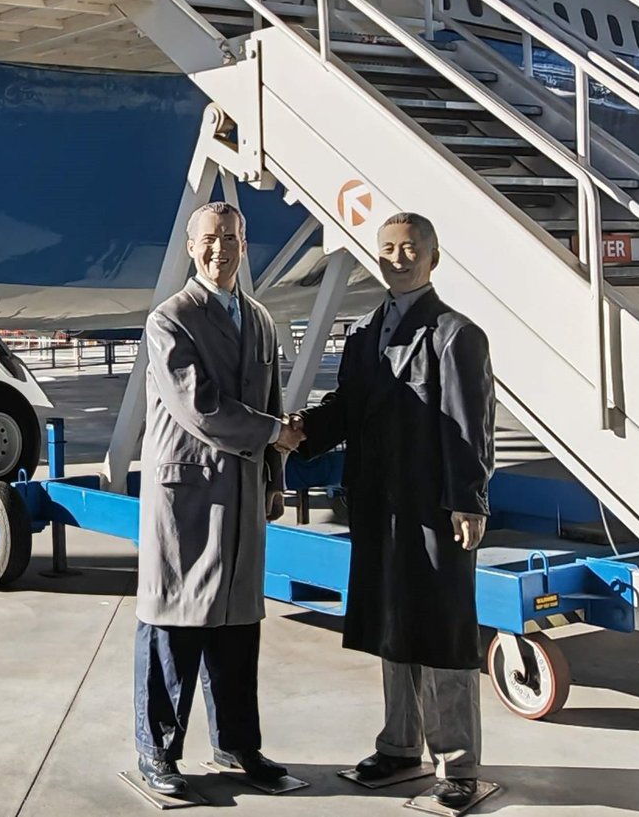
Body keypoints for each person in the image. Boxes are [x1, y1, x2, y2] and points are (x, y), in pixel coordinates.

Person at [295, 212, 496, 810]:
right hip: (377, 505)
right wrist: (297, 431)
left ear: (434, 258)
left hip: (434, 508)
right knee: (392, 626)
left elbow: (470, 425)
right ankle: (399, 747)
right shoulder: (364, 333)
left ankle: (457, 764)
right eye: (388, 248)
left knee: (441, 633)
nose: (398, 258)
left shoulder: (456, 335)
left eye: (410, 249)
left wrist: (467, 498)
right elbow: (348, 407)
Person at [133, 201, 303, 797]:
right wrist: (274, 435)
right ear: (190, 246)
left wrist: (274, 478)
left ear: (243, 244)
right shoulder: (170, 319)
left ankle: (238, 744)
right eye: (208, 238)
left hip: (243, 488)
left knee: (237, 624)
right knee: (174, 624)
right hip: (189, 491)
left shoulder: (260, 319)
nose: (219, 248)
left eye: (229, 237)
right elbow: (199, 407)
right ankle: (157, 751)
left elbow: (271, 396)